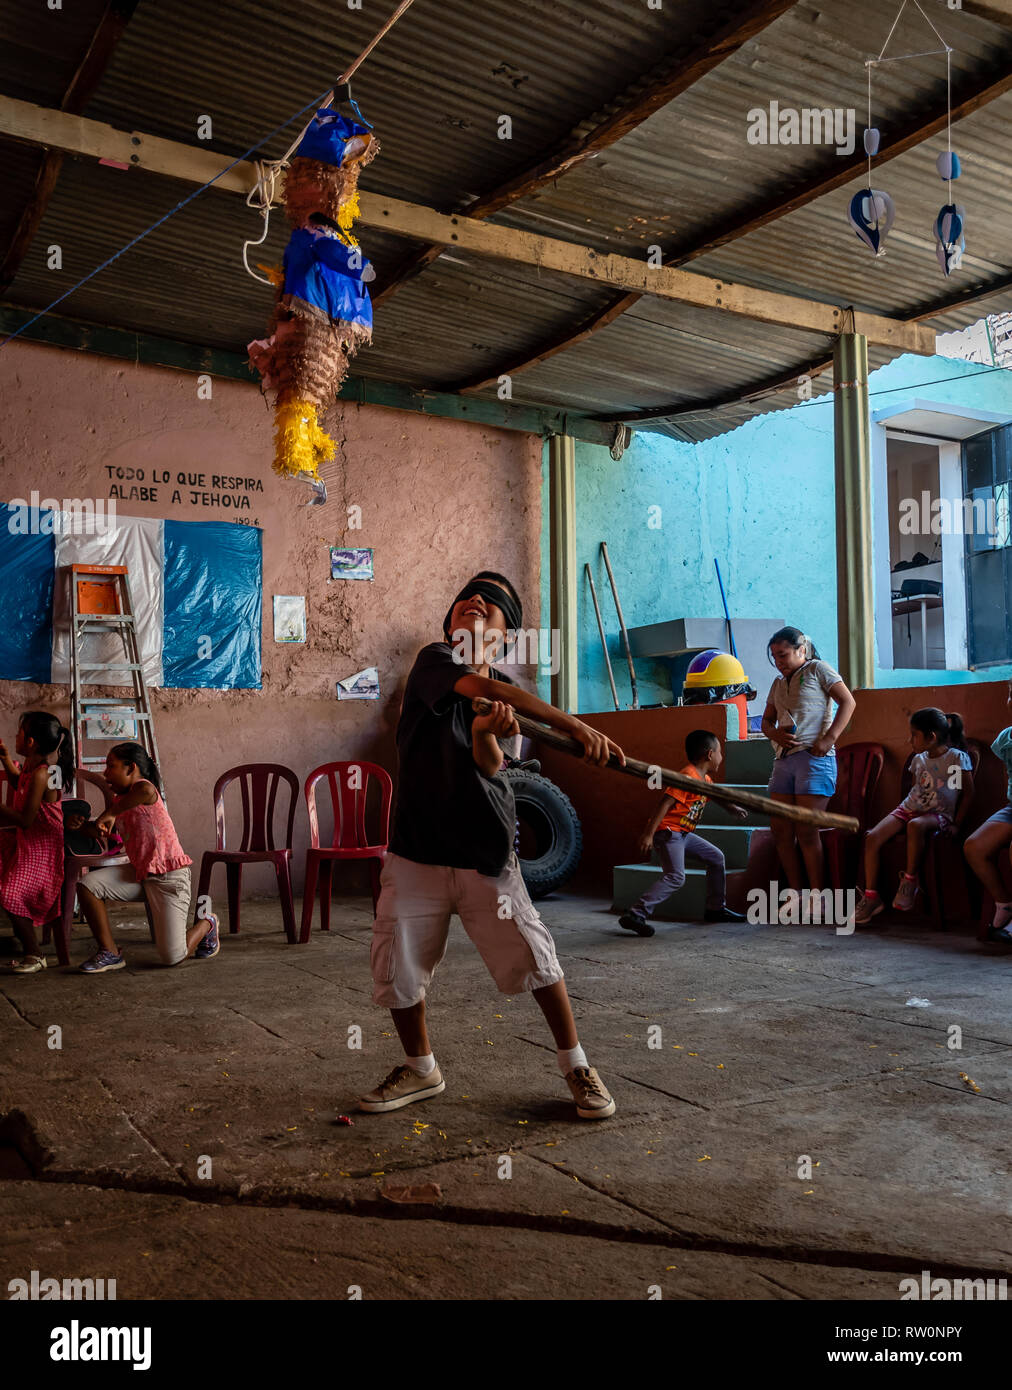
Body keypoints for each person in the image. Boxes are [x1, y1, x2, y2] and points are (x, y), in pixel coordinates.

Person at [358, 571, 625, 1121]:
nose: (475, 602)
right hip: (418, 852)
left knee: (535, 955)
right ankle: (420, 1067)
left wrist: (485, 734)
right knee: (398, 966)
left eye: (493, 605)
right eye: (467, 600)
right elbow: (490, 690)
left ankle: (575, 1064)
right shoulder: (435, 662)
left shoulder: (503, 703)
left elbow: (491, 764)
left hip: (485, 851)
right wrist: (577, 728)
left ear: (505, 636)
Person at [75, 743, 219, 973]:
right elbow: (102, 831)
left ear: (131, 768)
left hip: (169, 879)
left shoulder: (143, 789)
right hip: (140, 875)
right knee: (87, 885)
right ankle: (110, 952)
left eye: (111, 767)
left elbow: (146, 792)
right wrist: (83, 828)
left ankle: (208, 922)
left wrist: (111, 813)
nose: (105, 773)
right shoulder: (120, 802)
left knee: (172, 957)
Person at [618, 729, 747, 936]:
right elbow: (664, 803)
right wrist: (648, 834)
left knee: (716, 858)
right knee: (676, 876)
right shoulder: (687, 775)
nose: (722, 757)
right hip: (668, 832)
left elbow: (717, 795)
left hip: (683, 834)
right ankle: (636, 914)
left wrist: (732, 808)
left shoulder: (704, 779)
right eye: (720, 752)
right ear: (709, 754)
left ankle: (715, 909)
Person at [855, 709, 973, 925]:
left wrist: (957, 823)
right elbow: (915, 792)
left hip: (938, 814)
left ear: (931, 737)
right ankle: (871, 897)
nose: (909, 740)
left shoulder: (955, 759)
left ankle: (909, 881)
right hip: (908, 809)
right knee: (872, 837)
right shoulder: (918, 760)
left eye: (914, 735)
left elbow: (964, 793)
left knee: (916, 826)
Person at [761, 627, 856, 893]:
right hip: (783, 760)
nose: (779, 662)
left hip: (815, 760)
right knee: (780, 831)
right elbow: (767, 720)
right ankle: (797, 894)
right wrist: (774, 734)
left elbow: (848, 702)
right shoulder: (778, 683)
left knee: (806, 832)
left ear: (801, 650)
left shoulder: (819, 670)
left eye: (783, 655)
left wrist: (829, 740)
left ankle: (817, 896)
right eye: (775, 657)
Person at [0, 713, 68, 974]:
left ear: (30, 742)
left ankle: (35, 953)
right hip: (26, 841)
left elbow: (26, 819)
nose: (15, 736)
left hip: (43, 848)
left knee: (9, 893)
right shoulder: (34, 767)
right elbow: (20, 785)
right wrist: (6, 757)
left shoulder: (45, 773)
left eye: (18, 734)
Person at [965, 682, 1012, 943]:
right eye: (1011, 695)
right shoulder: (1005, 738)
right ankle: (1004, 904)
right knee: (974, 847)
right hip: (1011, 809)